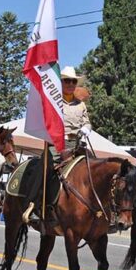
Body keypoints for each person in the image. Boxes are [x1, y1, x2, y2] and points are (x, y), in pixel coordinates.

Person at [21, 66, 92, 223]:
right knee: (45, 168)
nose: (71, 84)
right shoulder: (53, 102)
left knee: (94, 167)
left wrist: (87, 128)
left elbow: (86, 122)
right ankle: (32, 204)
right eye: (67, 81)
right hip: (56, 144)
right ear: (61, 82)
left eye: (73, 81)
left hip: (76, 144)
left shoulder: (81, 105)